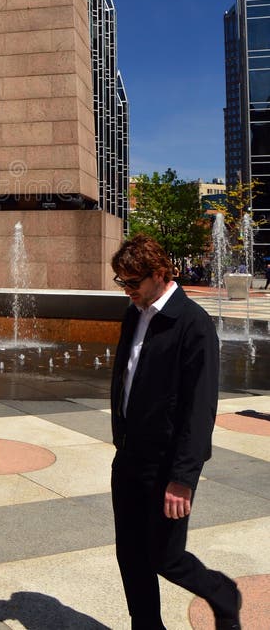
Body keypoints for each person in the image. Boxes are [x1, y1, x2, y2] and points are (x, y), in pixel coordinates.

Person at [110, 234, 241, 630]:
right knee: (131, 554)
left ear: (160, 274)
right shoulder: (134, 313)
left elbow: (200, 408)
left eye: (134, 283)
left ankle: (221, 592)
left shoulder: (193, 324)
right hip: (129, 456)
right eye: (122, 283)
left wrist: (183, 478)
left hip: (167, 464)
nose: (128, 291)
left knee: (165, 556)